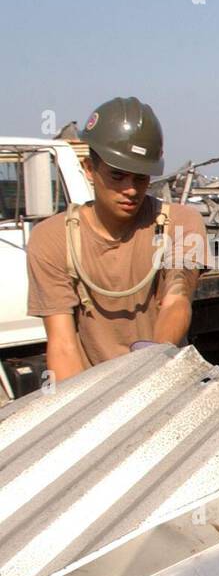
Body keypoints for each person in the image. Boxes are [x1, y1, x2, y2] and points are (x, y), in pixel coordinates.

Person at [26, 97, 206, 381]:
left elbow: (177, 300)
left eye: (140, 178)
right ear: (88, 169)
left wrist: (151, 370)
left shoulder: (180, 223)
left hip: (161, 377)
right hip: (92, 386)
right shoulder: (52, 239)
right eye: (118, 176)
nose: (131, 190)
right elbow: (62, 344)